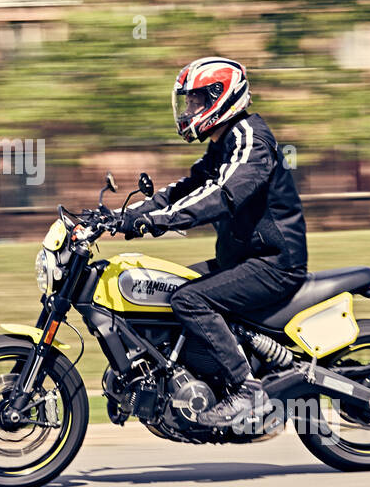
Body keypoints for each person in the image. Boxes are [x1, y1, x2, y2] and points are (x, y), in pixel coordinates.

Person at [117, 57, 308, 427]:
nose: (189, 110)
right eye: (187, 102)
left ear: (222, 98)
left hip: (273, 263)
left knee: (189, 299)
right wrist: (124, 217)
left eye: (197, 101)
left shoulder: (251, 140)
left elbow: (222, 194)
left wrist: (159, 222)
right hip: (241, 260)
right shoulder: (223, 144)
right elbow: (185, 189)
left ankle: (247, 392)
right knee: (164, 288)